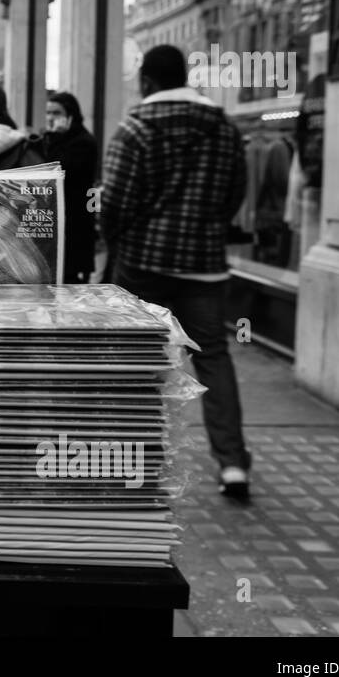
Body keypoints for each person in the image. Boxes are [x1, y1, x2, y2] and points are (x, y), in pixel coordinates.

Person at [101, 44, 251, 502]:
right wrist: (208, 228)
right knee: (214, 356)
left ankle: (129, 456)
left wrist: (118, 239)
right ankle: (232, 465)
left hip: (144, 263)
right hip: (204, 265)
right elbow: (234, 193)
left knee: (134, 359)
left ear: (146, 82)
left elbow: (114, 203)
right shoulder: (223, 129)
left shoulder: (135, 128)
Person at [43, 91, 99, 284]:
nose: (51, 118)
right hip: (57, 219)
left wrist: (55, 138)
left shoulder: (84, 142)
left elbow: (59, 169)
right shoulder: (52, 139)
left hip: (76, 221)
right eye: (48, 112)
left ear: (70, 115)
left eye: (56, 113)